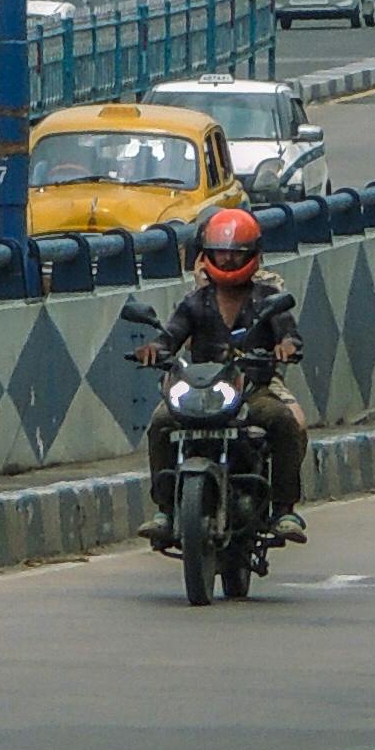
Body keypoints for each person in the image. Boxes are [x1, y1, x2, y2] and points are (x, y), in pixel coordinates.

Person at [135, 204, 306, 553]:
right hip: (201, 389)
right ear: (207, 255)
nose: (227, 261)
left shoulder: (268, 300)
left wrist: (286, 346)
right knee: (160, 423)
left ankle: (285, 510)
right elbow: (171, 334)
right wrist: (154, 348)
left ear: (253, 256)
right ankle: (165, 510)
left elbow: (289, 333)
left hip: (251, 389)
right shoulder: (195, 302)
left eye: (236, 254)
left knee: (282, 421)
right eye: (221, 254)